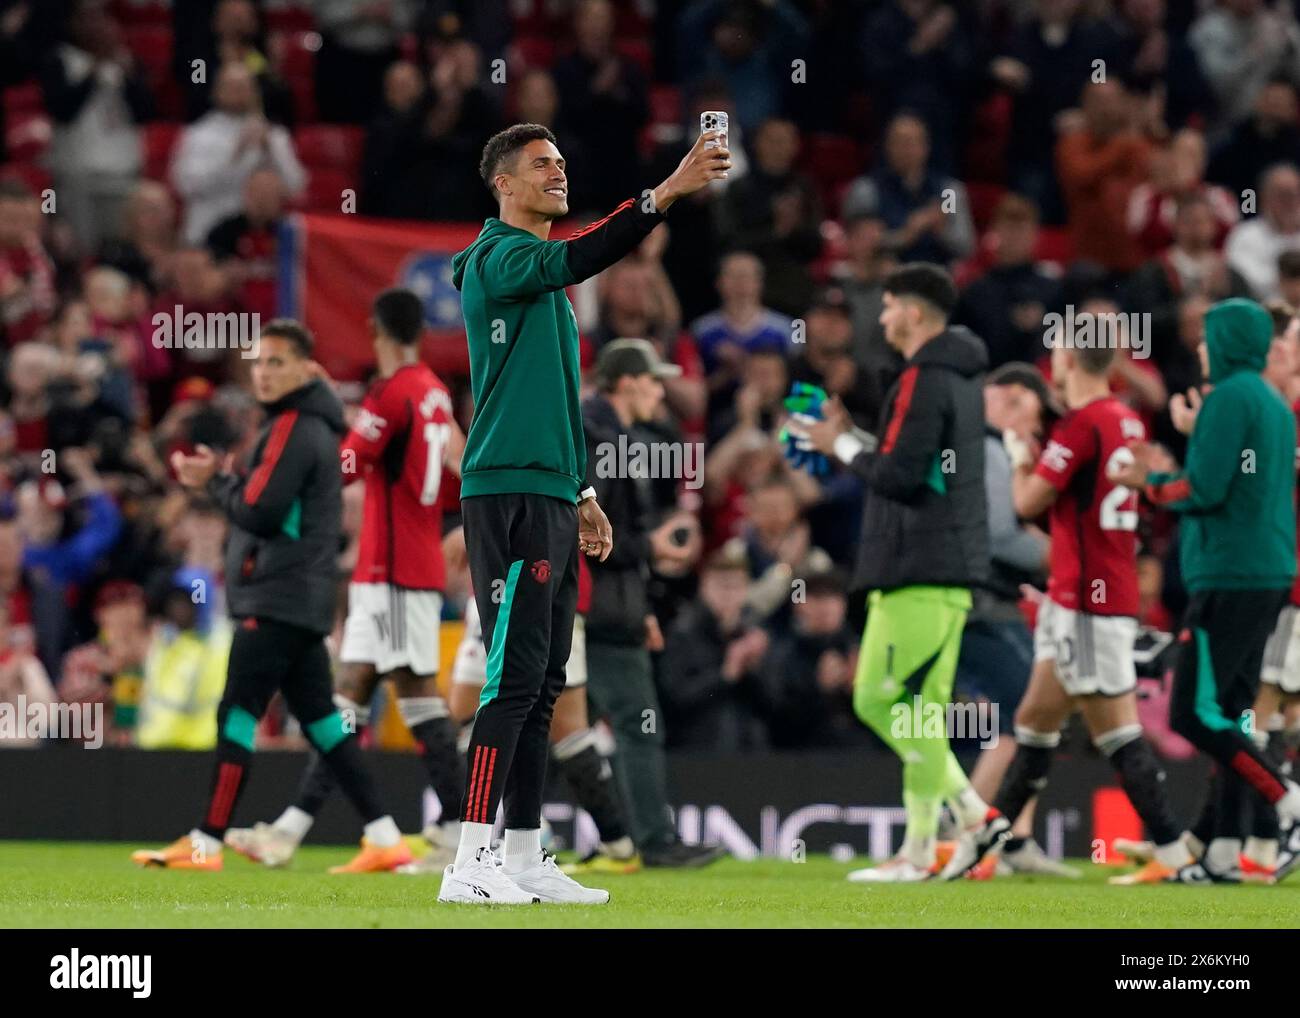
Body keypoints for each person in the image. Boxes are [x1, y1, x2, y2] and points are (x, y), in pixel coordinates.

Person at [436, 121, 729, 905]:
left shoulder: (544, 290)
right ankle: (468, 859)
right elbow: (585, 253)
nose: (558, 173)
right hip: (506, 489)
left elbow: (561, 399)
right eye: (541, 165)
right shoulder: (502, 259)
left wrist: (586, 492)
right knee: (510, 679)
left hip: (550, 489)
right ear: (503, 183)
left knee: (544, 681)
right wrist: (665, 193)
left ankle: (526, 856)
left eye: (563, 162)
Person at [131, 320, 407, 874]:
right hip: (301, 597)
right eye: (258, 363)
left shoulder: (293, 426)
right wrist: (222, 477)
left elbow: (260, 510)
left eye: (277, 362)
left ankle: (205, 842)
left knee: (236, 713)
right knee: (324, 723)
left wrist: (213, 481)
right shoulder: (310, 426)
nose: (263, 373)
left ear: (307, 369)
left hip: (276, 597)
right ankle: (385, 837)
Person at [223, 290, 467, 873]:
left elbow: (342, 466)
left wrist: (305, 450)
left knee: (408, 699)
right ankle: (290, 831)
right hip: (406, 566)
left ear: (374, 329)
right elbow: (461, 457)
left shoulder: (393, 392)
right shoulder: (433, 390)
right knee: (350, 697)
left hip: (391, 570)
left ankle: (461, 832)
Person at [942, 336, 1193, 884]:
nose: (1051, 363)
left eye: (1056, 353)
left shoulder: (1081, 425)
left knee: (1116, 732)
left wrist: (1018, 458)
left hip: (1087, 600)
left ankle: (1174, 851)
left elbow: (1025, 503)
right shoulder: (1128, 420)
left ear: (1071, 360)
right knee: (1032, 725)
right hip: (1085, 595)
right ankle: (984, 848)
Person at [793, 263, 999, 882]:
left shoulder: (923, 376)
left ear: (912, 312)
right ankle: (931, 844)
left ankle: (962, 823)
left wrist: (842, 446)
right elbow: (911, 462)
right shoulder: (958, 377)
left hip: (917, 569)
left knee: (878, 699)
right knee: (924, 715)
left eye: (886, 307)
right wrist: (854, 435)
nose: (880, 319)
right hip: (948, 571)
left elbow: (899, 477)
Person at [1114, 297, 1300, 881]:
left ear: (1227, 342)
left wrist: (1149, 482)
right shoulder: (1272, 403)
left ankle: (1288, 801)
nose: (1199, 348)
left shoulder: (1229, 399)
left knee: (1194, 714)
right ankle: (1222, 851)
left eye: (1207, 338)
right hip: (1268, 572)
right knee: (1236, 714)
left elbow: (1206, 490)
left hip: (1229, 573)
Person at [583, 338, 726, 864]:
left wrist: (640, 604)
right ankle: (652, 841)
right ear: (625, 382)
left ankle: (501, 834)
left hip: (603, 605)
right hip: (598, 608)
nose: (660, 391)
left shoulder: (612, 434)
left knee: (563, 732)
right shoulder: (603, 436)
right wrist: (650, 547)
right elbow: (587, 528)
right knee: (636, 725)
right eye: (651, 380)